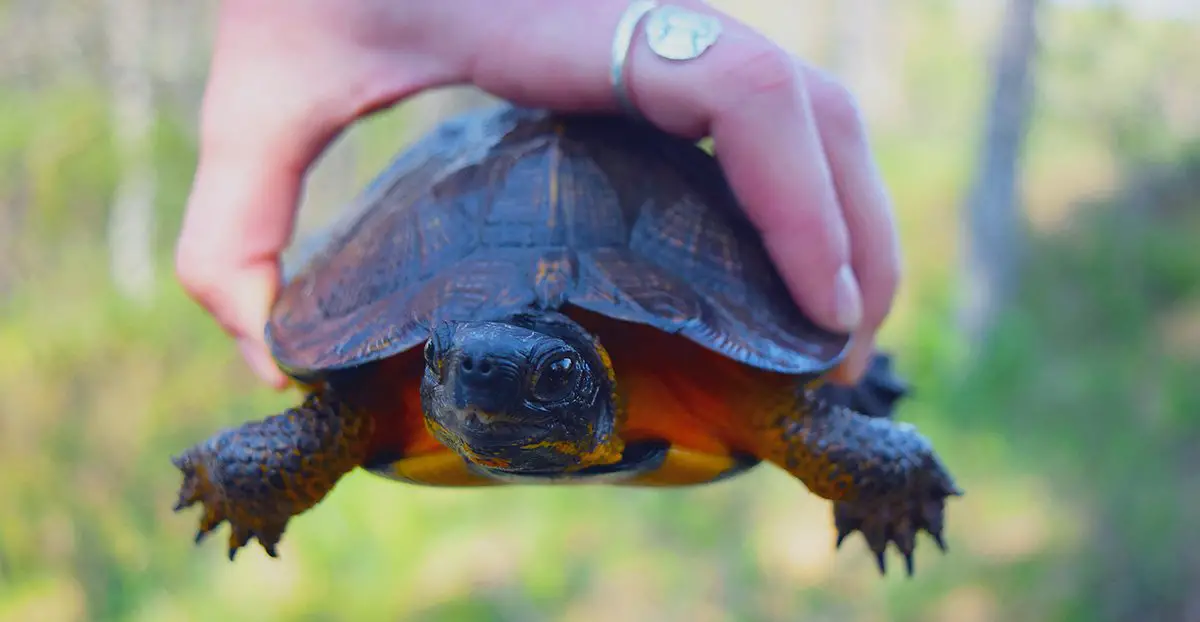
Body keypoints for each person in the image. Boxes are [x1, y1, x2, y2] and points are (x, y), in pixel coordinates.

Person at [173, 0, 901, 390]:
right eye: (448, 366)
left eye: (553, 376)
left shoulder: (696, 378)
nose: (483, 376)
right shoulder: (403, 390)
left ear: (591, 378)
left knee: (843, 417)